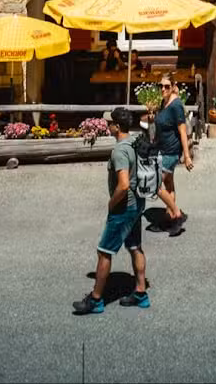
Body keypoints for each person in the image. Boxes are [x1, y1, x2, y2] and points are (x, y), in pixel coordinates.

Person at [72, 107, 150, 314]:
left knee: (104, 251)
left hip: (125, 207)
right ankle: (141, 293)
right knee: (135, 246)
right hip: (138, 203)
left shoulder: (120, 151)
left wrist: (111, 204)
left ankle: (96, 300)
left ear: (117, 126)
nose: (107, 126)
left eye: (110, 123)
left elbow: (123, 185)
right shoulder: (135, 141)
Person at [153, 75, 193, 235]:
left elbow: (182, 131)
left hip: (171, 151)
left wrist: (187, 155)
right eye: (160, 86)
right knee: (168, 184)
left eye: (167, 86)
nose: (163, 89)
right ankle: (168, 216)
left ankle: (176, 214)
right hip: (162, 149)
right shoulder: (164, 102)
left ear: (173, 86)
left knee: (154, 185)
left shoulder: (175, 105)